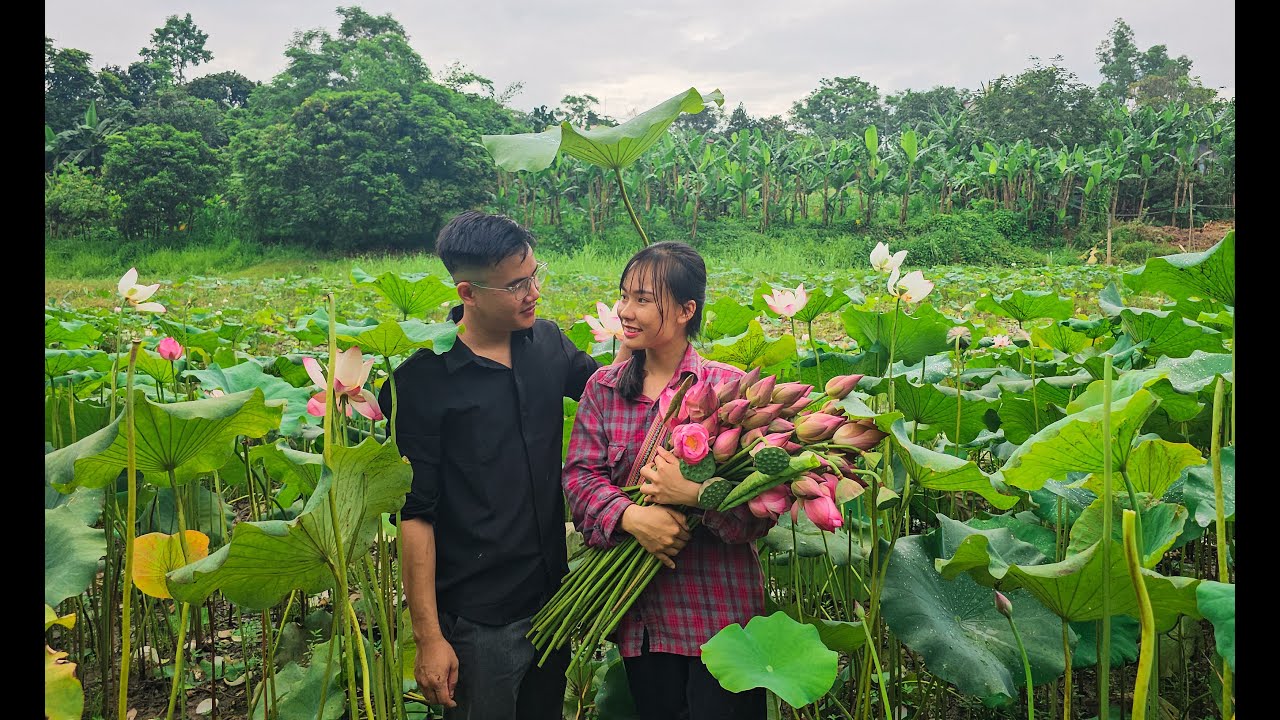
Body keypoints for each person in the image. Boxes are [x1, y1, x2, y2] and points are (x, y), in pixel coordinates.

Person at [381, 210, 606, 719]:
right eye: (516, 285)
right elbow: (415, 515)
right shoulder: (421, 380)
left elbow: (612, 396)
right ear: (468, 292)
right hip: (478, 620)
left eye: (534, 275)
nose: (533, 293)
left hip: (553, 600)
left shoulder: (550, 345)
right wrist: (429, 637)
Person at [562, 241, 770, 720]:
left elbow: (760, 514)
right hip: (644, 618)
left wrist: (696, 495)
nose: (625, 311)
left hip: (722, 616)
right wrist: (632, 517)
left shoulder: (730, 391)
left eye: (642, 299)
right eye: (623, 296)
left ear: (685, 310)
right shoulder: (604, 388)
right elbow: (579, 478)